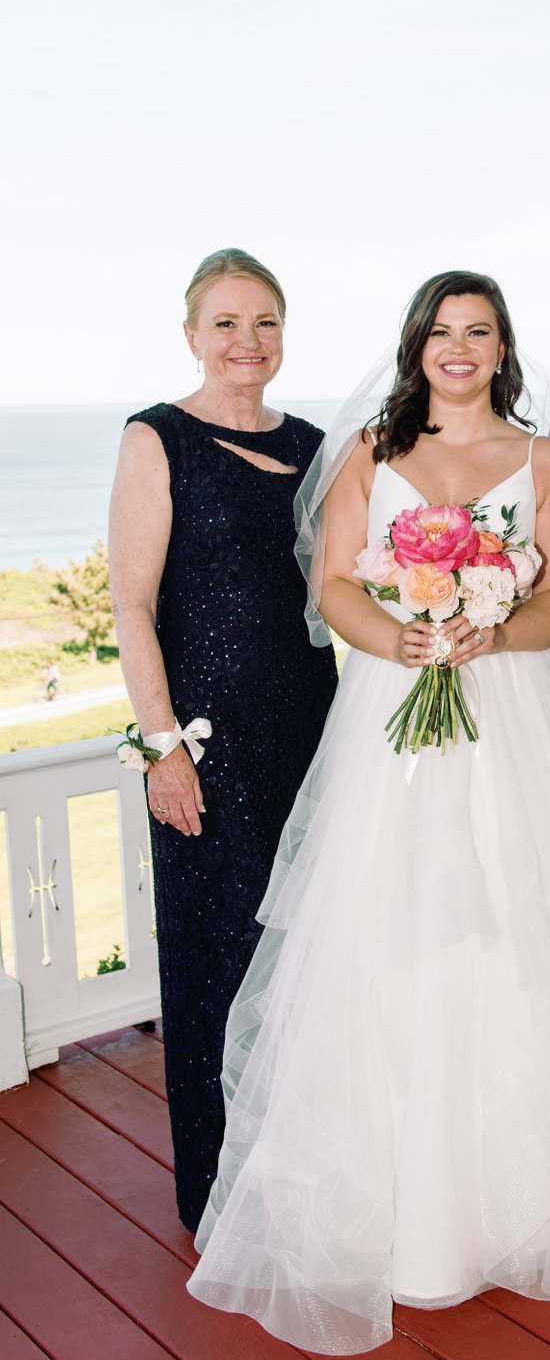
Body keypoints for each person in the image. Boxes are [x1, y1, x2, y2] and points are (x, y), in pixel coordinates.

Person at [186, 271, 550, 1354]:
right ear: (416, 345)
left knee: (527, 932)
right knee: (392, 939)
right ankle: (404, 1217)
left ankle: (544, 1200)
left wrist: (496, 630)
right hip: (395, 716)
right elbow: (335, 580)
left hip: (512, 715)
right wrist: (405, 639)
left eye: (479, 331)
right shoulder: (371, 456)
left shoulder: (544, 459)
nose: (459, 347)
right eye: (442, 331)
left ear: (504, 347)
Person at [108, 248, 338, 1232]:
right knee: (222, 957)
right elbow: (131, 600)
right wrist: (162, 743)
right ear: (193, 333)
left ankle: (316, 1168)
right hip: (207, 746)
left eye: (266, 322)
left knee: (313, 952)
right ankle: (227, 1190)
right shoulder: (155, 437)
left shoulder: (322, 445)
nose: (248, 342)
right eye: (228, 322)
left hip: (316, 734)